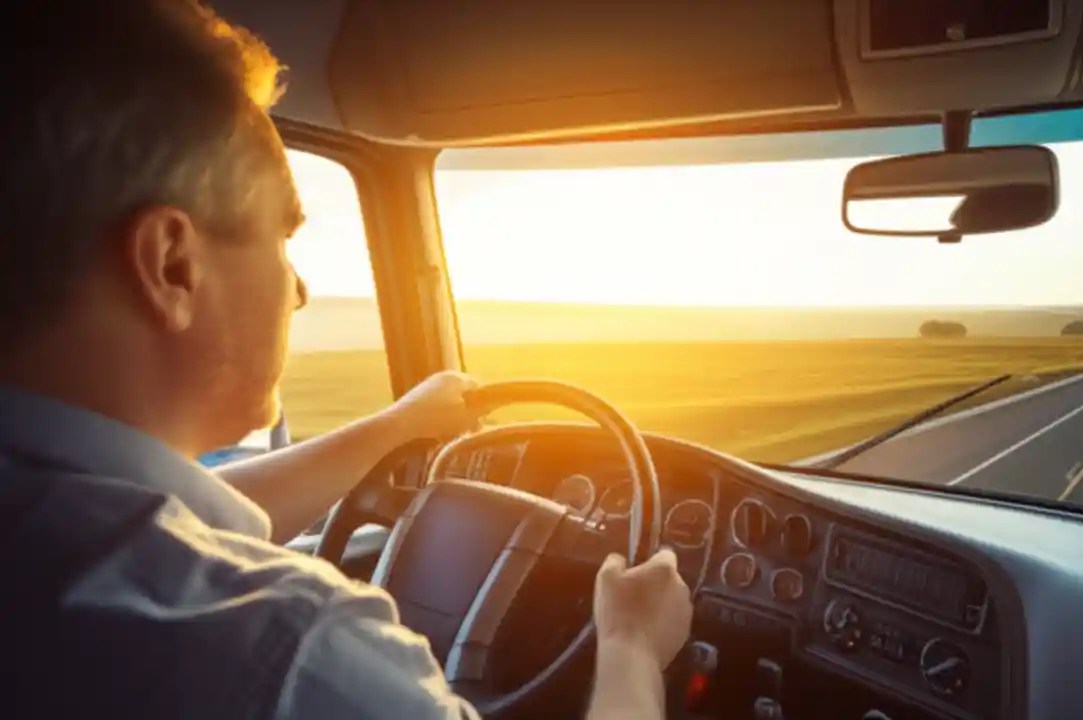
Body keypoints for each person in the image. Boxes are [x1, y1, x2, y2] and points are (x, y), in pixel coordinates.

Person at [0, 1, 691, 718]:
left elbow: (171, 516)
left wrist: (400, 426)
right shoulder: (295, 656)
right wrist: (632, 647)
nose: (298, 289)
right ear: (173, 267)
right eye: (283, 238)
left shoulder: (49, 520)